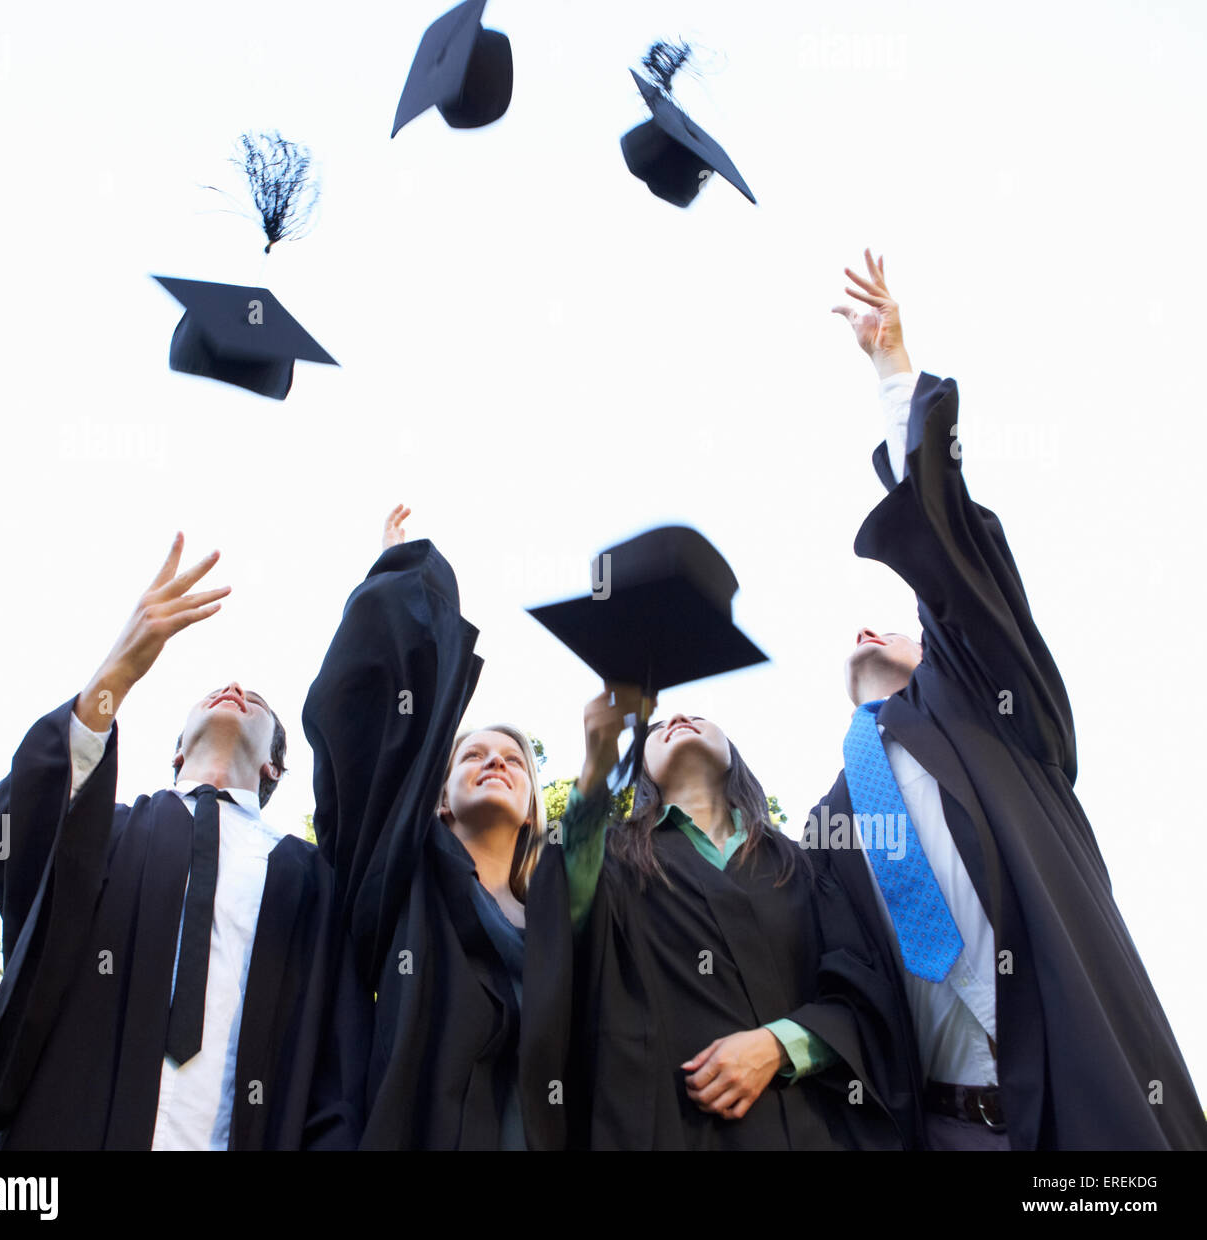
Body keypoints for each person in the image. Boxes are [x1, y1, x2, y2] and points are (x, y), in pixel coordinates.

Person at [808, 250, 1207, 1150]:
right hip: (950, 1132)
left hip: (1080, 1101)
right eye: (857, 637)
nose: (874, 633)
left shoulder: (993, 714)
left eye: (900, 627)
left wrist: (892, 377)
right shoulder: (829, 821)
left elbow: (959, 573)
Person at [0, 534, 344, 1150]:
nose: (235, 687)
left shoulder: (309, 876)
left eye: (256, 701)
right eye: (214, 693)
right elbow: (0, 842)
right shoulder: (108, 833)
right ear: (177, 749)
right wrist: (113, 679)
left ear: (274, 769)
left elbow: (334, 1063)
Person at [302, 506, 569, 1150]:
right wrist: (395, 588)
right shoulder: (402, 876)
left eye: (513, 759)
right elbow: (366, 726)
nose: (496, 761)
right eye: (472, 754)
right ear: (440, 797)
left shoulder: (570, 917)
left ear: (535, 805)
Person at [556, 687, 920, 1150]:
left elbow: (864, 993)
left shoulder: (802, 865)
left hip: (815, 1130)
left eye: (700, 717)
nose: (681, 717)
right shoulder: (615, 860)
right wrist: (597, 767)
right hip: (674, 1130)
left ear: (733, 756)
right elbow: (563, 913)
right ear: (642, 771)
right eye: (660, 727)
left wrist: (778, 1044)